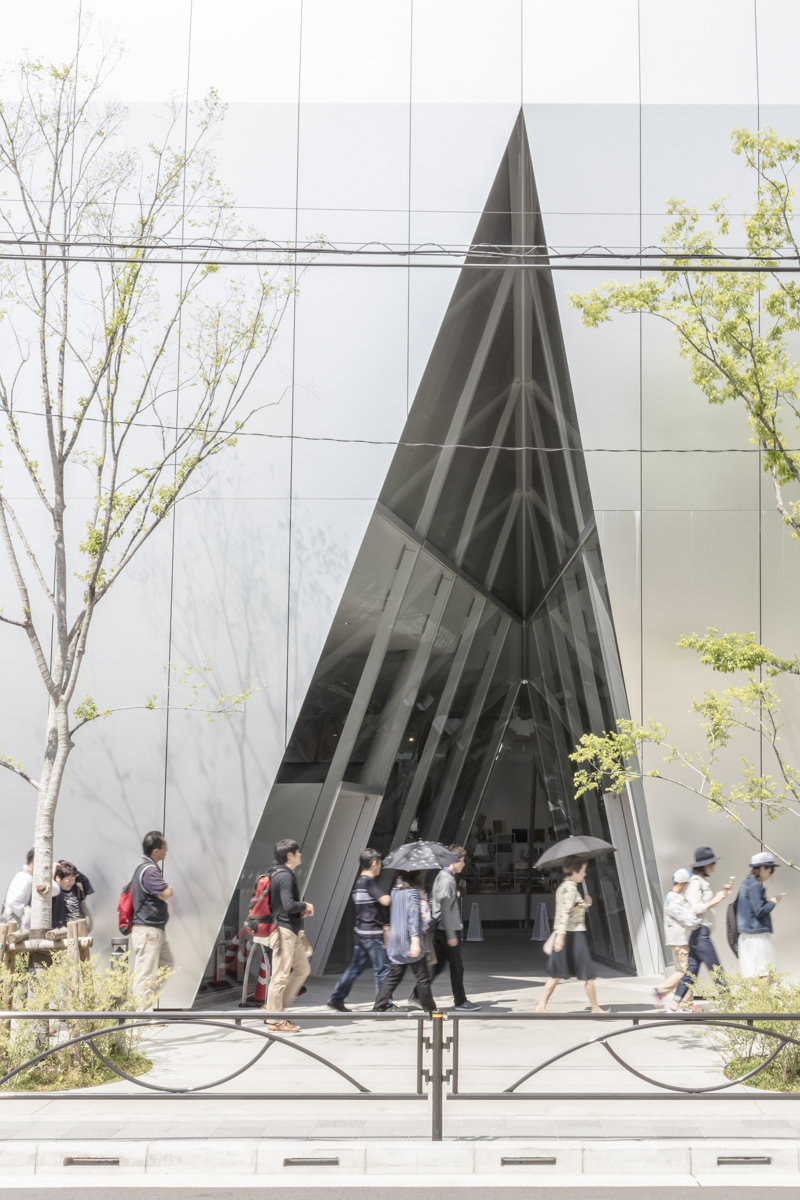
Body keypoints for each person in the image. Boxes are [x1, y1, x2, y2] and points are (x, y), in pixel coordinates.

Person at [536, 856, 605, 1014]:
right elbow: (563, 913)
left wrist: (585, 904)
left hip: (571, 933)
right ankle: (595, 1008)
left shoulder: (568, 887)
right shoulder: (570, 888)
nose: (584, 874)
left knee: (559, 973)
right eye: (583, 871)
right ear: (574, 871)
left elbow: (571, 910)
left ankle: (542, 1006)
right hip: (571, 934)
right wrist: (560, 937)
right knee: (582, 972)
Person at [327, 848, 392, 1013]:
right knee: (383, 969)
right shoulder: (369, 882)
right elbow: (384, 901)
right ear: (373, 863)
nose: (381, 865)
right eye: (379, 862)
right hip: (372, 934)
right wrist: (399, 893)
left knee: (355, 967)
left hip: (361, 932)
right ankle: (385, 1004)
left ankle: (337, 998)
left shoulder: (358, 883)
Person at [420, 844, 481, 1012]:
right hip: (448, 929)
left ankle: (418, 994)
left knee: (437, 966)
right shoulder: (447, 880)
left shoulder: (441, 877)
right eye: (462, 860)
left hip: (442, 928)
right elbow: (446, 909)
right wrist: (451, 934)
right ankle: (460, 1001)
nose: (464, 864)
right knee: (457, 967)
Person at [265, 839, 315, 1034]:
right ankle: (275, 1019)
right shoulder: (284, 876)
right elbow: (288, 905)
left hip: (289, 929)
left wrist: (298, 911)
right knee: (280, 976)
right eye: (298, 852)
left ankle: (274, 1007)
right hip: (283, 931)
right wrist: (305, 905)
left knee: (302, 968)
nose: (300, 855)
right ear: (290, 855)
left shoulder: (277, 873)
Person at [673, 846, 732, 1006]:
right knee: (716, 969)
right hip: (700, 933)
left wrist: (721, 892)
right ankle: (730, 1006)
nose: (713, 866)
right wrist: (717, 899)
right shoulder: (695, 882)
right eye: (711, 863)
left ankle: (674, 1003)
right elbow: (695, 907)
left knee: (691, 971)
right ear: (704, 865)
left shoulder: (699, 882)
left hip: (698, 934)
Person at [372, 870, 436, 1015]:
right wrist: (415, 940)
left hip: (396, 940)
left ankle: (378, 1007)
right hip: (409, 940)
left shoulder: (395, 891)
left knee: (394, 976)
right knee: (422, 978)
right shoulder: (413, 893)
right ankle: (431, 1010)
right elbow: (413, 918)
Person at [130, 831, 174, 1008]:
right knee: (146, 972)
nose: (166, 851)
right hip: (148, 929)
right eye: (165, 848)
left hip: (153, 929)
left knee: (166, 965)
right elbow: (164, 893)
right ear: (155, 851)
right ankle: (140, 1015)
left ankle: (144, 1006)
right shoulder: (149, 871)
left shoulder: (145, 868)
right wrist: (169, 890)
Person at [653, 868, 700, 1011]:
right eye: (686, 885)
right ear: (681, 883)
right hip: (681, 941)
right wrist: (698, 921)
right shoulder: (675, 899)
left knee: (684, 971)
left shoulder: (670, 896)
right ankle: (686, 1005)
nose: (687, 888)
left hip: (677, 940)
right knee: (688, 973)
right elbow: (687, 920)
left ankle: (663, 992)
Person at [737, 851, 781, 978]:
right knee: (769, 975)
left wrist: (766, 902)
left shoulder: (746, 883)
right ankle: (754, 997)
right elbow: (759, 911)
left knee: (757, 976)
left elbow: (752, 908)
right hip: (757, 936)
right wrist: (773, 902)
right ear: (762, 868)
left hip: (747, 936)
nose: (770, 874)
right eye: (770, 870)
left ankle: (754, 997)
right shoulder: (755, 885)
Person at [51, 860, 94, 931]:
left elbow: (83, 878)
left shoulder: (75, 890)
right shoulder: (55, 893)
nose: (71, 882)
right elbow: (49, 886)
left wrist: (63, 863)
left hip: (77, 932)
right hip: (61, 933)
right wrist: (54, 869)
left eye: (73, 879)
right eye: (68, 879)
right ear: (58, 878)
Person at [2, 849, 34, 927]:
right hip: (14, 921)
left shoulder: (27, 875)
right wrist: (24, 915)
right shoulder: (25, 876)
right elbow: (14, 902)